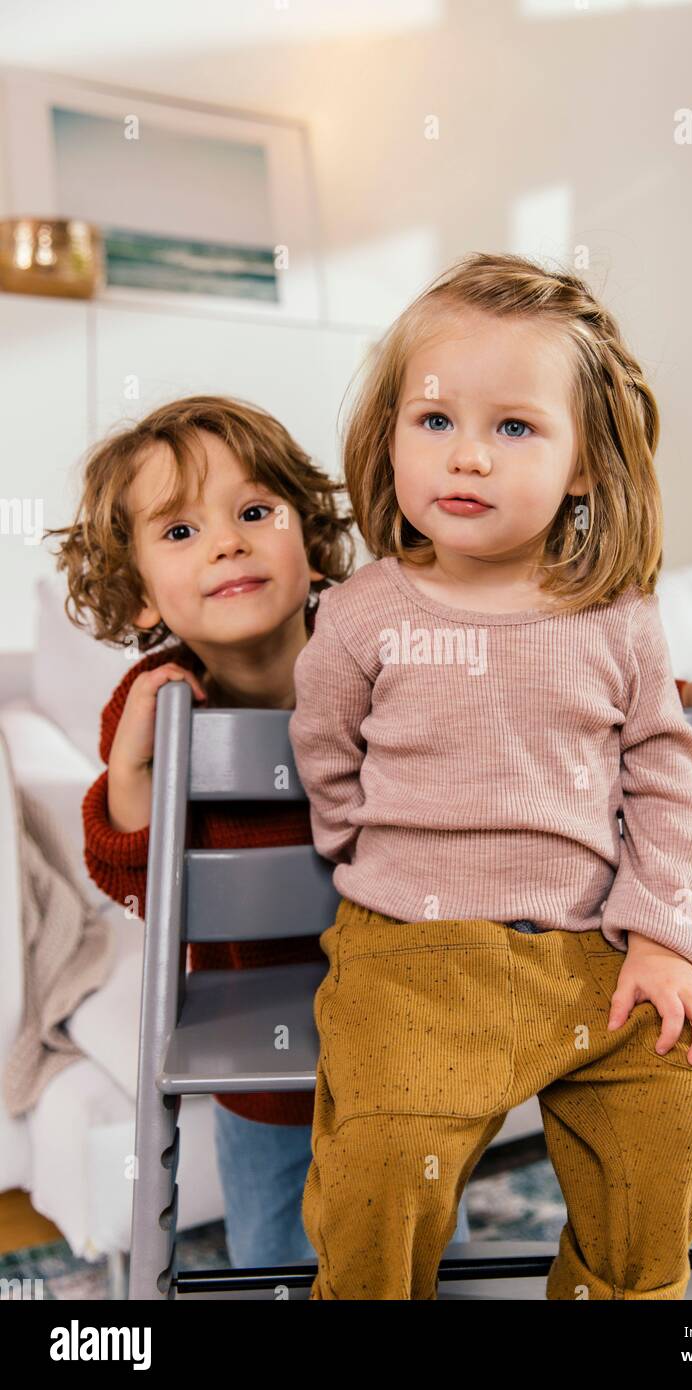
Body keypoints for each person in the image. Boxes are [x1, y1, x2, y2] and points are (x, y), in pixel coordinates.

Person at [288, 251, 692, 1300]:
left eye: (512, 427)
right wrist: (356, 849)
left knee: (678, 1126)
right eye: (433, 421)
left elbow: (659, 780)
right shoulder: (364, 612)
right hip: (413, 950)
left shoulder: (617, 618)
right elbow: (324, 751)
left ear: (585, 463)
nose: (465, 456)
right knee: (380, 1160)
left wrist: (659, 940)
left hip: (595, 948)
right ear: (389, 434)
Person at [43, 393, 472, 1264]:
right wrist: (133, 773)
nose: (227, 542)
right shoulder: (156, 705)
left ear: (312, 548)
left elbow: (510, 698)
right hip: (263, 1068)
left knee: (427, 1249)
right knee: (275, 1254)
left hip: (409, 1042)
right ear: (140, 602)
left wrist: (668, 694)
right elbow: (135, 884)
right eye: (179, 532)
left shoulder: (383, 653)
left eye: (253, 512)